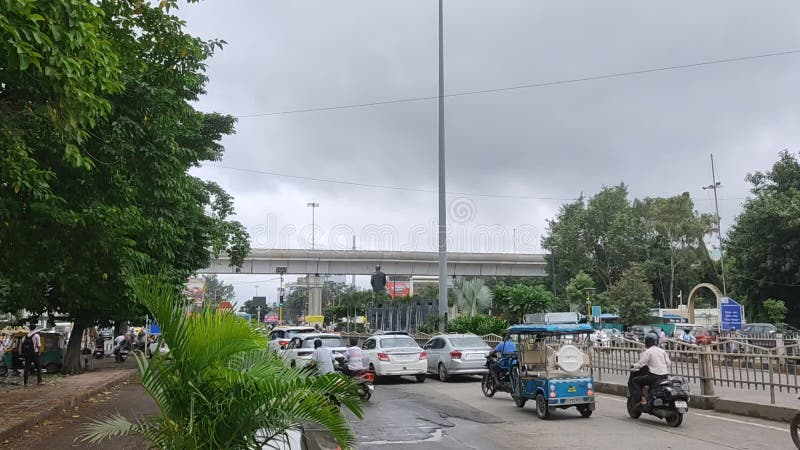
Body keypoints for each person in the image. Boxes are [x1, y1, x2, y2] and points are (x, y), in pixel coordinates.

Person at [629, 334, 671, 405]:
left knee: (635, 381)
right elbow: (669, 364)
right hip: (664, 376)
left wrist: (633, 365)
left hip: (654, 377)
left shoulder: (648, 351)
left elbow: (641, 364)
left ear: (647, 343)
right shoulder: (662, 351)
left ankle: (642, 399)